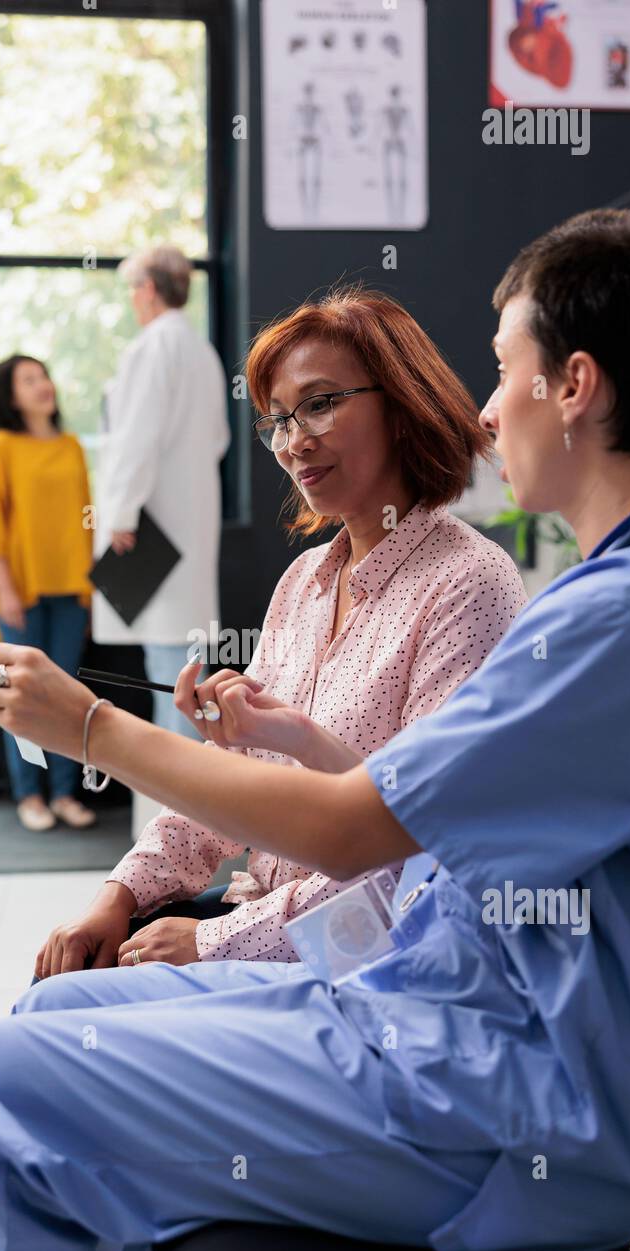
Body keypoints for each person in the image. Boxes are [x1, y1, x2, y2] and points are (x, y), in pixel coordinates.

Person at [0, 208, 630, 1251]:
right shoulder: (572, 592)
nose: (489, 408)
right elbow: (414, 809)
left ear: (571, 384)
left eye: (503, 370)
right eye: (276, 418)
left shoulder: (587, 605)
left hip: (499, 1080)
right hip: (429, 1000)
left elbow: (365, 835)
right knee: (54, 1018)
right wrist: (180, 836)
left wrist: (96, 732)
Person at [38, 285, 528, 972]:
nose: (294, 442)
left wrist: (212, 943)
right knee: (52, 994)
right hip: (264, 928)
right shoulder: (303, 584)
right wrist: (117, 896)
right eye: (276, 420)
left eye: (320, 404)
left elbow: (416, 851)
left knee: (46, 1034)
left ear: (402, 401)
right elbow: (232, 785)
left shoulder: (469, 584)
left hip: (364, 962)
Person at [95, 244, 230, 745]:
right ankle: (188, 807)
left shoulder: (152, 348)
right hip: (188, 523)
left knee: (169, 674)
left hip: (153, 529)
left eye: (133, 289)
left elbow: (136, 439)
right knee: (186, 669)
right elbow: (218, 440)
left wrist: (122, 513)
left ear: (148, 289)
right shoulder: (202, 352)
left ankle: (178, 810)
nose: (133, 300)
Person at [0, 355, 95, 833]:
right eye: (29, 380)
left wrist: (89, 590)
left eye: (44, 375)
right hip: (16, 589)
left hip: (70, 589)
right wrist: (2, 584)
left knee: (64, 694)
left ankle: (63, 792)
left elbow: (87, 517)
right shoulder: (1, 445)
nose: (43, 385)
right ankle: (29, 794)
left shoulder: (71, 447)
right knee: (15, 693)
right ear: (11, 396)